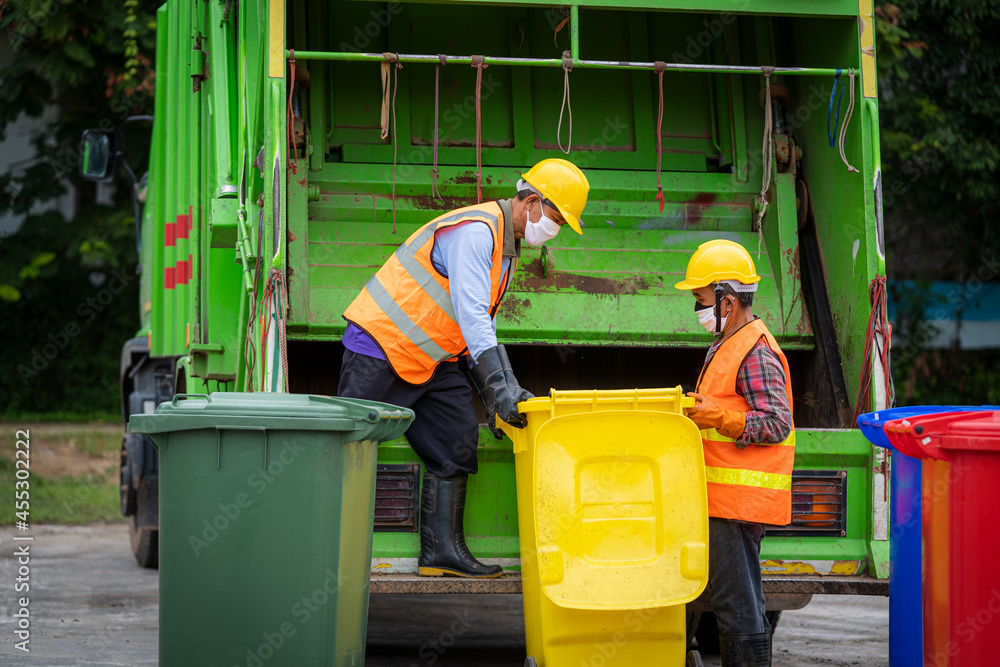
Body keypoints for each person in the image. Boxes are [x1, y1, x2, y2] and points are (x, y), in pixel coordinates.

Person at [340, 158, 590, 578]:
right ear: (531, 202)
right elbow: (473, 315)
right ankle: (322, 550)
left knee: (456, 442)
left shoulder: (504, 248)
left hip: (433, 358)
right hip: (381, 348)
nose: (555, 230)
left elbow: (484, 323)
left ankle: (441, 553)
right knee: (342, 450)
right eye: (556, 218)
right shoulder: (476, 233)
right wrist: (499, 387)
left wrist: (498, 391)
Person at [675, 239, 795, 667]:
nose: (698, 310)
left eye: (701, 300)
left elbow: (777, 423)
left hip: (738, 503)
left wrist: (720, 418)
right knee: (734, 599)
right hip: (725, 499)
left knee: (736, 604)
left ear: (727, 300)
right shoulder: (730, 342)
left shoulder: (755, 350)